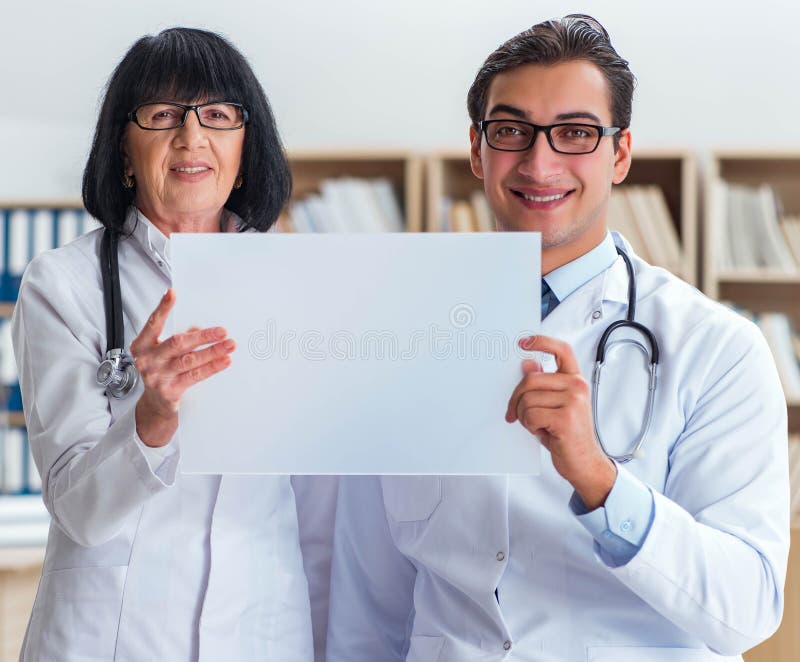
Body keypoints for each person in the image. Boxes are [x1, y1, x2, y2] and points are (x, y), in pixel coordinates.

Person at [327, 14, 789, 661]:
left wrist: (601, 481)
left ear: (619, 154)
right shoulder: (399, 343)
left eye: (574, 133)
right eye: (511, 131)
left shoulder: (719, 349)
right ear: (477, 150)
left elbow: (748, 608)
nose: (539, 163)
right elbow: (365, 597)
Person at [11, 27, 336, 661]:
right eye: (163, 115)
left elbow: (326, 514)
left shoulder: (306, 286)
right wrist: (151, 420)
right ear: (124, 153)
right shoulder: (64, 285)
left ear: (247, 148)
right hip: (113, 637)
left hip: (261, 630)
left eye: (217, 115)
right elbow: (78, 510)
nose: (192, 137)